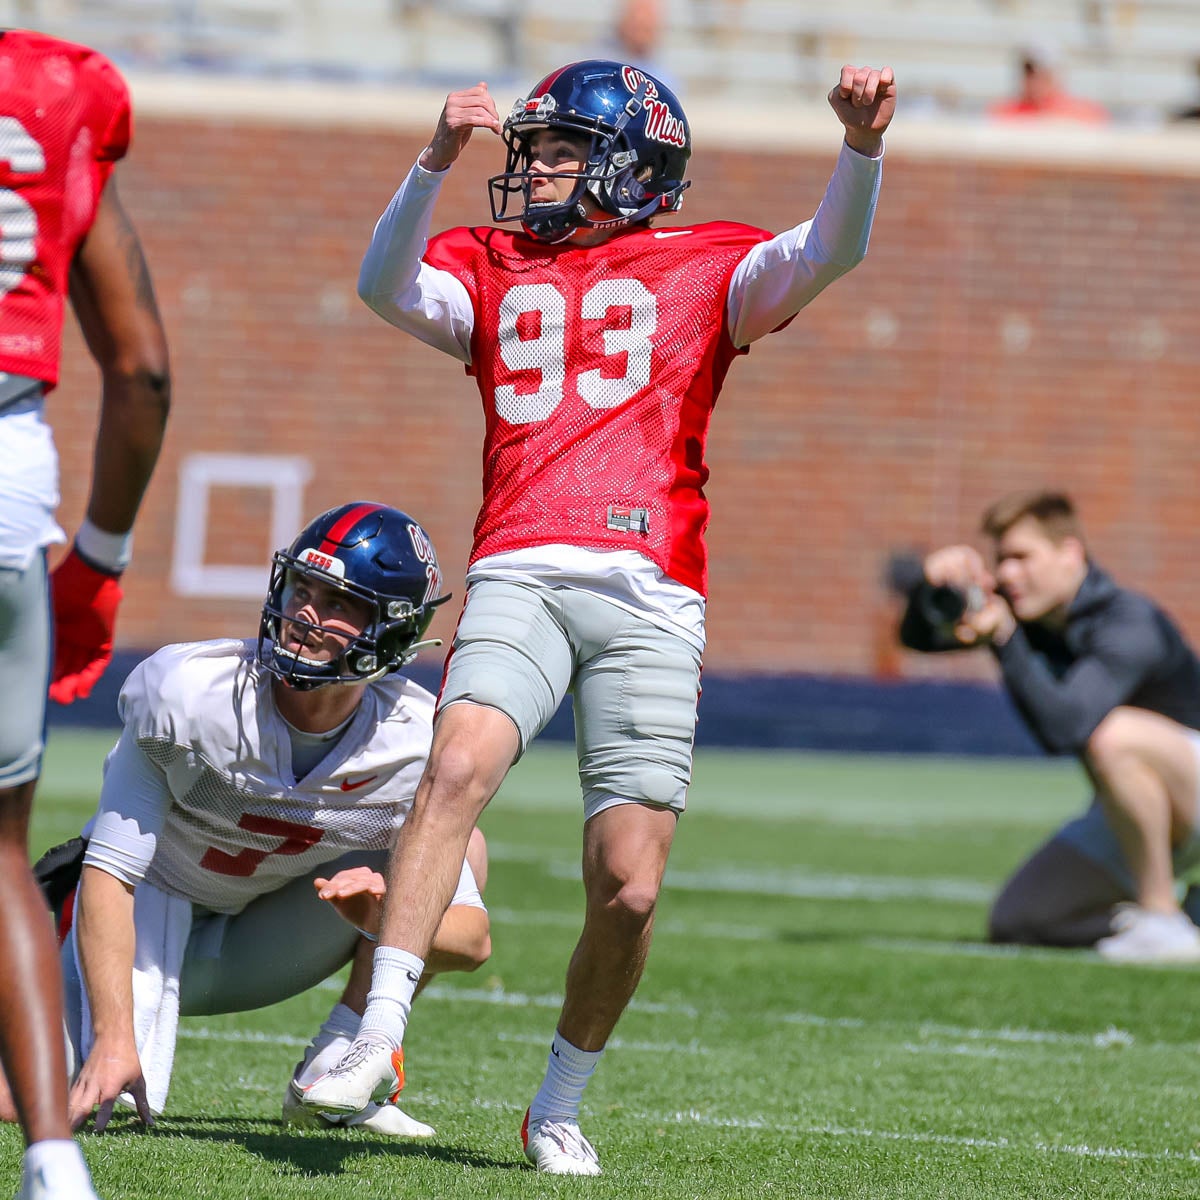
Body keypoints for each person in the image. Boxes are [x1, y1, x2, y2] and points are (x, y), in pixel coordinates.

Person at [297, 58, 896, 1174]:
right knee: (457, 763)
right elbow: (386, 286)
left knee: (629, 886)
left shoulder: (706, 262)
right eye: (538, 148)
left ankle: (558, 1101)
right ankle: (375, 1034)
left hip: (654, 587)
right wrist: (430, 163)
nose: (537, 169)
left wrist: (860, 149)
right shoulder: (495, 259)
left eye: (564, 147)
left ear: (632, 164)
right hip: (522, 558)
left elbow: (829, 251)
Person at [41, 502, 490, 1137]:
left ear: (390, 631)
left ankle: (340, 1058)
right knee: (33, 1102)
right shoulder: (188, 694)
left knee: (453, 843)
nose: (307, 612)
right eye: (302, 589)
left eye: (337, 602)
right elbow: (109, 873)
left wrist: (382, 919)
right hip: (136, 918)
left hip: (257, 942)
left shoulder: (415, 742)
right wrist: (113, 1039)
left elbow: (472, 941)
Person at [0, 29, 171, 1200]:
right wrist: (99, 562)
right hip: (12, 472)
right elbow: (143, 369)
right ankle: (55, 1161)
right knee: (2, 854)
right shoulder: (57, 88)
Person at [899, 490, 1200, 963]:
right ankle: (1186, 921)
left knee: (1113, 736)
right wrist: (930, 588)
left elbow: (1068, 729)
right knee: (1021, 919)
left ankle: (1160, 916)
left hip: (1185, 777)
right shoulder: (1032, 615)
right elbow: (918, 640)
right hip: (1142, 805)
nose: (1006, 574)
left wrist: (1005, 638)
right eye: (1001, 560)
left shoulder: (1128, 622)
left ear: (1070, 553)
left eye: (1022, 557)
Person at [987, 41, 1109, 124]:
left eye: (1040, 72)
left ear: (1055, 74)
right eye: (1029, 72)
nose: (1034, 80)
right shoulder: (1004, 112)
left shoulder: (1086, 112)